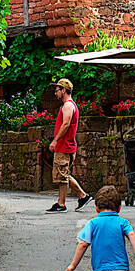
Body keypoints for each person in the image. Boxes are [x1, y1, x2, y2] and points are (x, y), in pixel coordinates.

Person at [46, 78, 92, 213]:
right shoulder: (69, 105)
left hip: (64, 146)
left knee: (62, 175)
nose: (55, 93)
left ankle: (62, 204)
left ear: (64, 90)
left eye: (57, 90)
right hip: (67, 145)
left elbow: (66, 124)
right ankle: (82, 196)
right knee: (64, 174)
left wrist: (55, 141)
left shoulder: (68, 106)